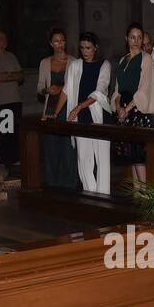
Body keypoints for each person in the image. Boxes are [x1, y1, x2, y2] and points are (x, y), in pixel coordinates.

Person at [54, 31, 113, 194]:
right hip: (80, 117)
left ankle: (103, 196)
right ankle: (91, 194)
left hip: (100, 115)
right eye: (82, 48)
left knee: (102, 160)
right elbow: (66, 91)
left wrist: (80, 106)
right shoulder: (75, 65)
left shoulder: (105, 65)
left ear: (95, 48)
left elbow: (100, 90)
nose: (85, 51)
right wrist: (55, 113)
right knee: (84, 160)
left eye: (88, 48)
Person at [112, 22, 154, 183]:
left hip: (139, 108)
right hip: (124, 106)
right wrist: (118, 107)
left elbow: (144, 88)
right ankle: (137, 193)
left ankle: (146, 194)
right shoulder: (122, 60)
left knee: (138, 154)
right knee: (130, 154)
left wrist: (129, 108)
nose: (136, 40)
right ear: (127, 39)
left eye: (139, 37)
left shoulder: (146, 59)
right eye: (133, 37)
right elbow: (118, 89)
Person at [37, 29, 77, 188]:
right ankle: (53, 184)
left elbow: (77, 88)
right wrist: (47, 90)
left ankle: (70, 184)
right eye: (56, 41)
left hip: (68, 108)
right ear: (50, 44)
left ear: (66, 42)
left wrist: (61, 89)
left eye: (62, 41)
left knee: (68, 149)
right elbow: (39, 87)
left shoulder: (74, 62)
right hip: (50, 110)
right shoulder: (45, 63)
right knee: (51, 149)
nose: (59, 44)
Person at [0, 30, 25, 168]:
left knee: (14, 131)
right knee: (3, 132)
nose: (4, 40)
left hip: (14, 100)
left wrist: (7, 75)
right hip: (1, 101)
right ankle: (4, 159)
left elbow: (21, 76)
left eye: (5, 38)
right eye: (0, 38)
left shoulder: (11, 56)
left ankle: (15, 158)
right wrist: (11, 76)